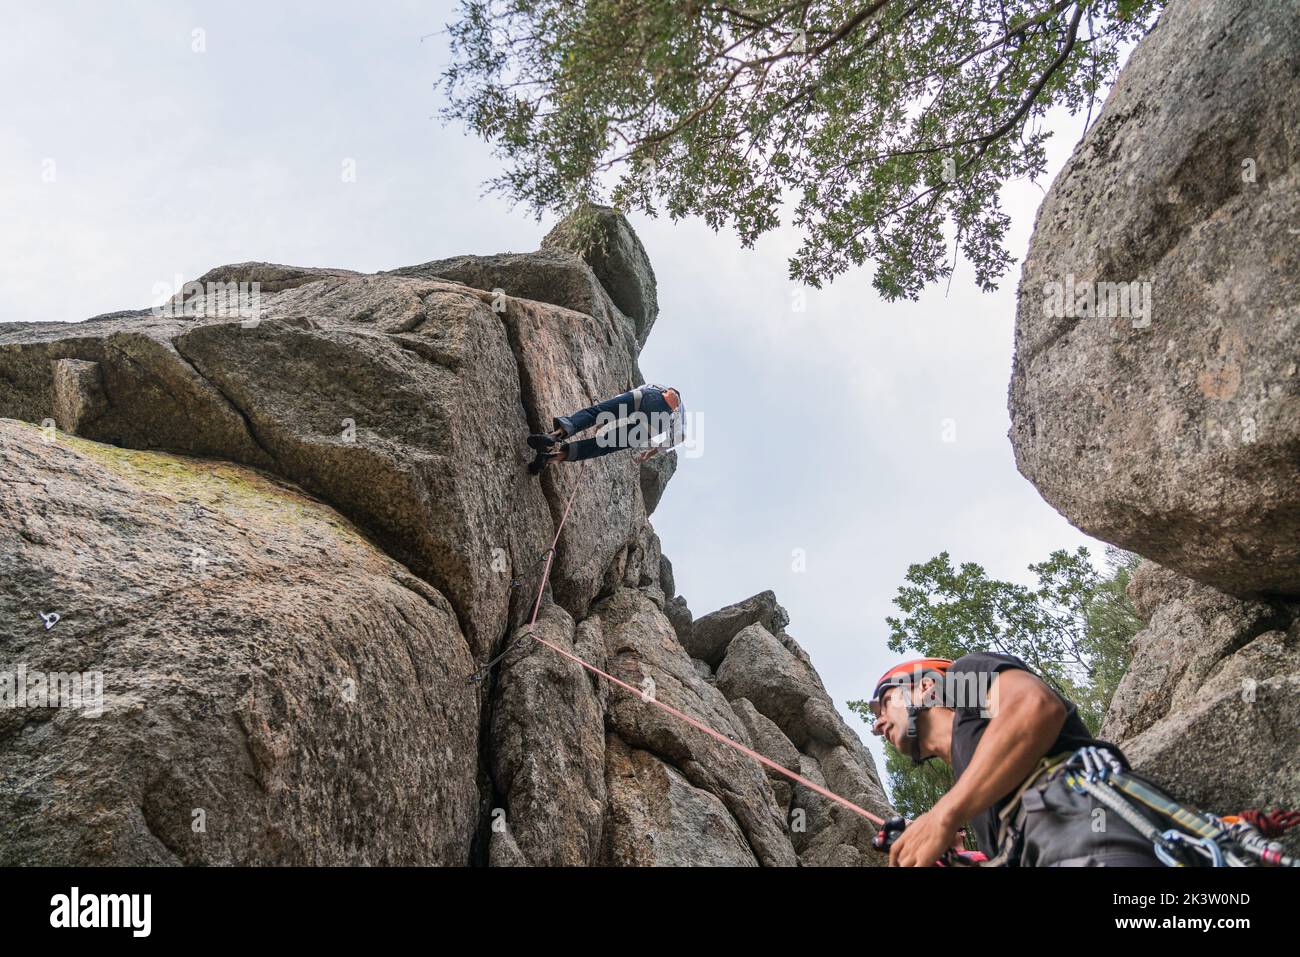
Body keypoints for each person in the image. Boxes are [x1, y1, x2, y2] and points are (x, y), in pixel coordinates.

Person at [867, 654, 1160, 867]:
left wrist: (942, 815)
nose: (877, 726)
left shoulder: (961, 680)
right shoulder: (976, 792)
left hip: (1089, 829)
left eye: (883, 704)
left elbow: (1035, 705)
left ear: (925, 686)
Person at [527, 383, 684, 474]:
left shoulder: (656, 386)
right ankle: (550, 458)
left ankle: (554, 435)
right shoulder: (680, 417)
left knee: (595, 413)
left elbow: (622, 401)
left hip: (646, 397)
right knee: (602, 446)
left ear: (667, 390)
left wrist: (603, 421)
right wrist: (648, 454)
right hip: (657, 425)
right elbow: (678, 437)